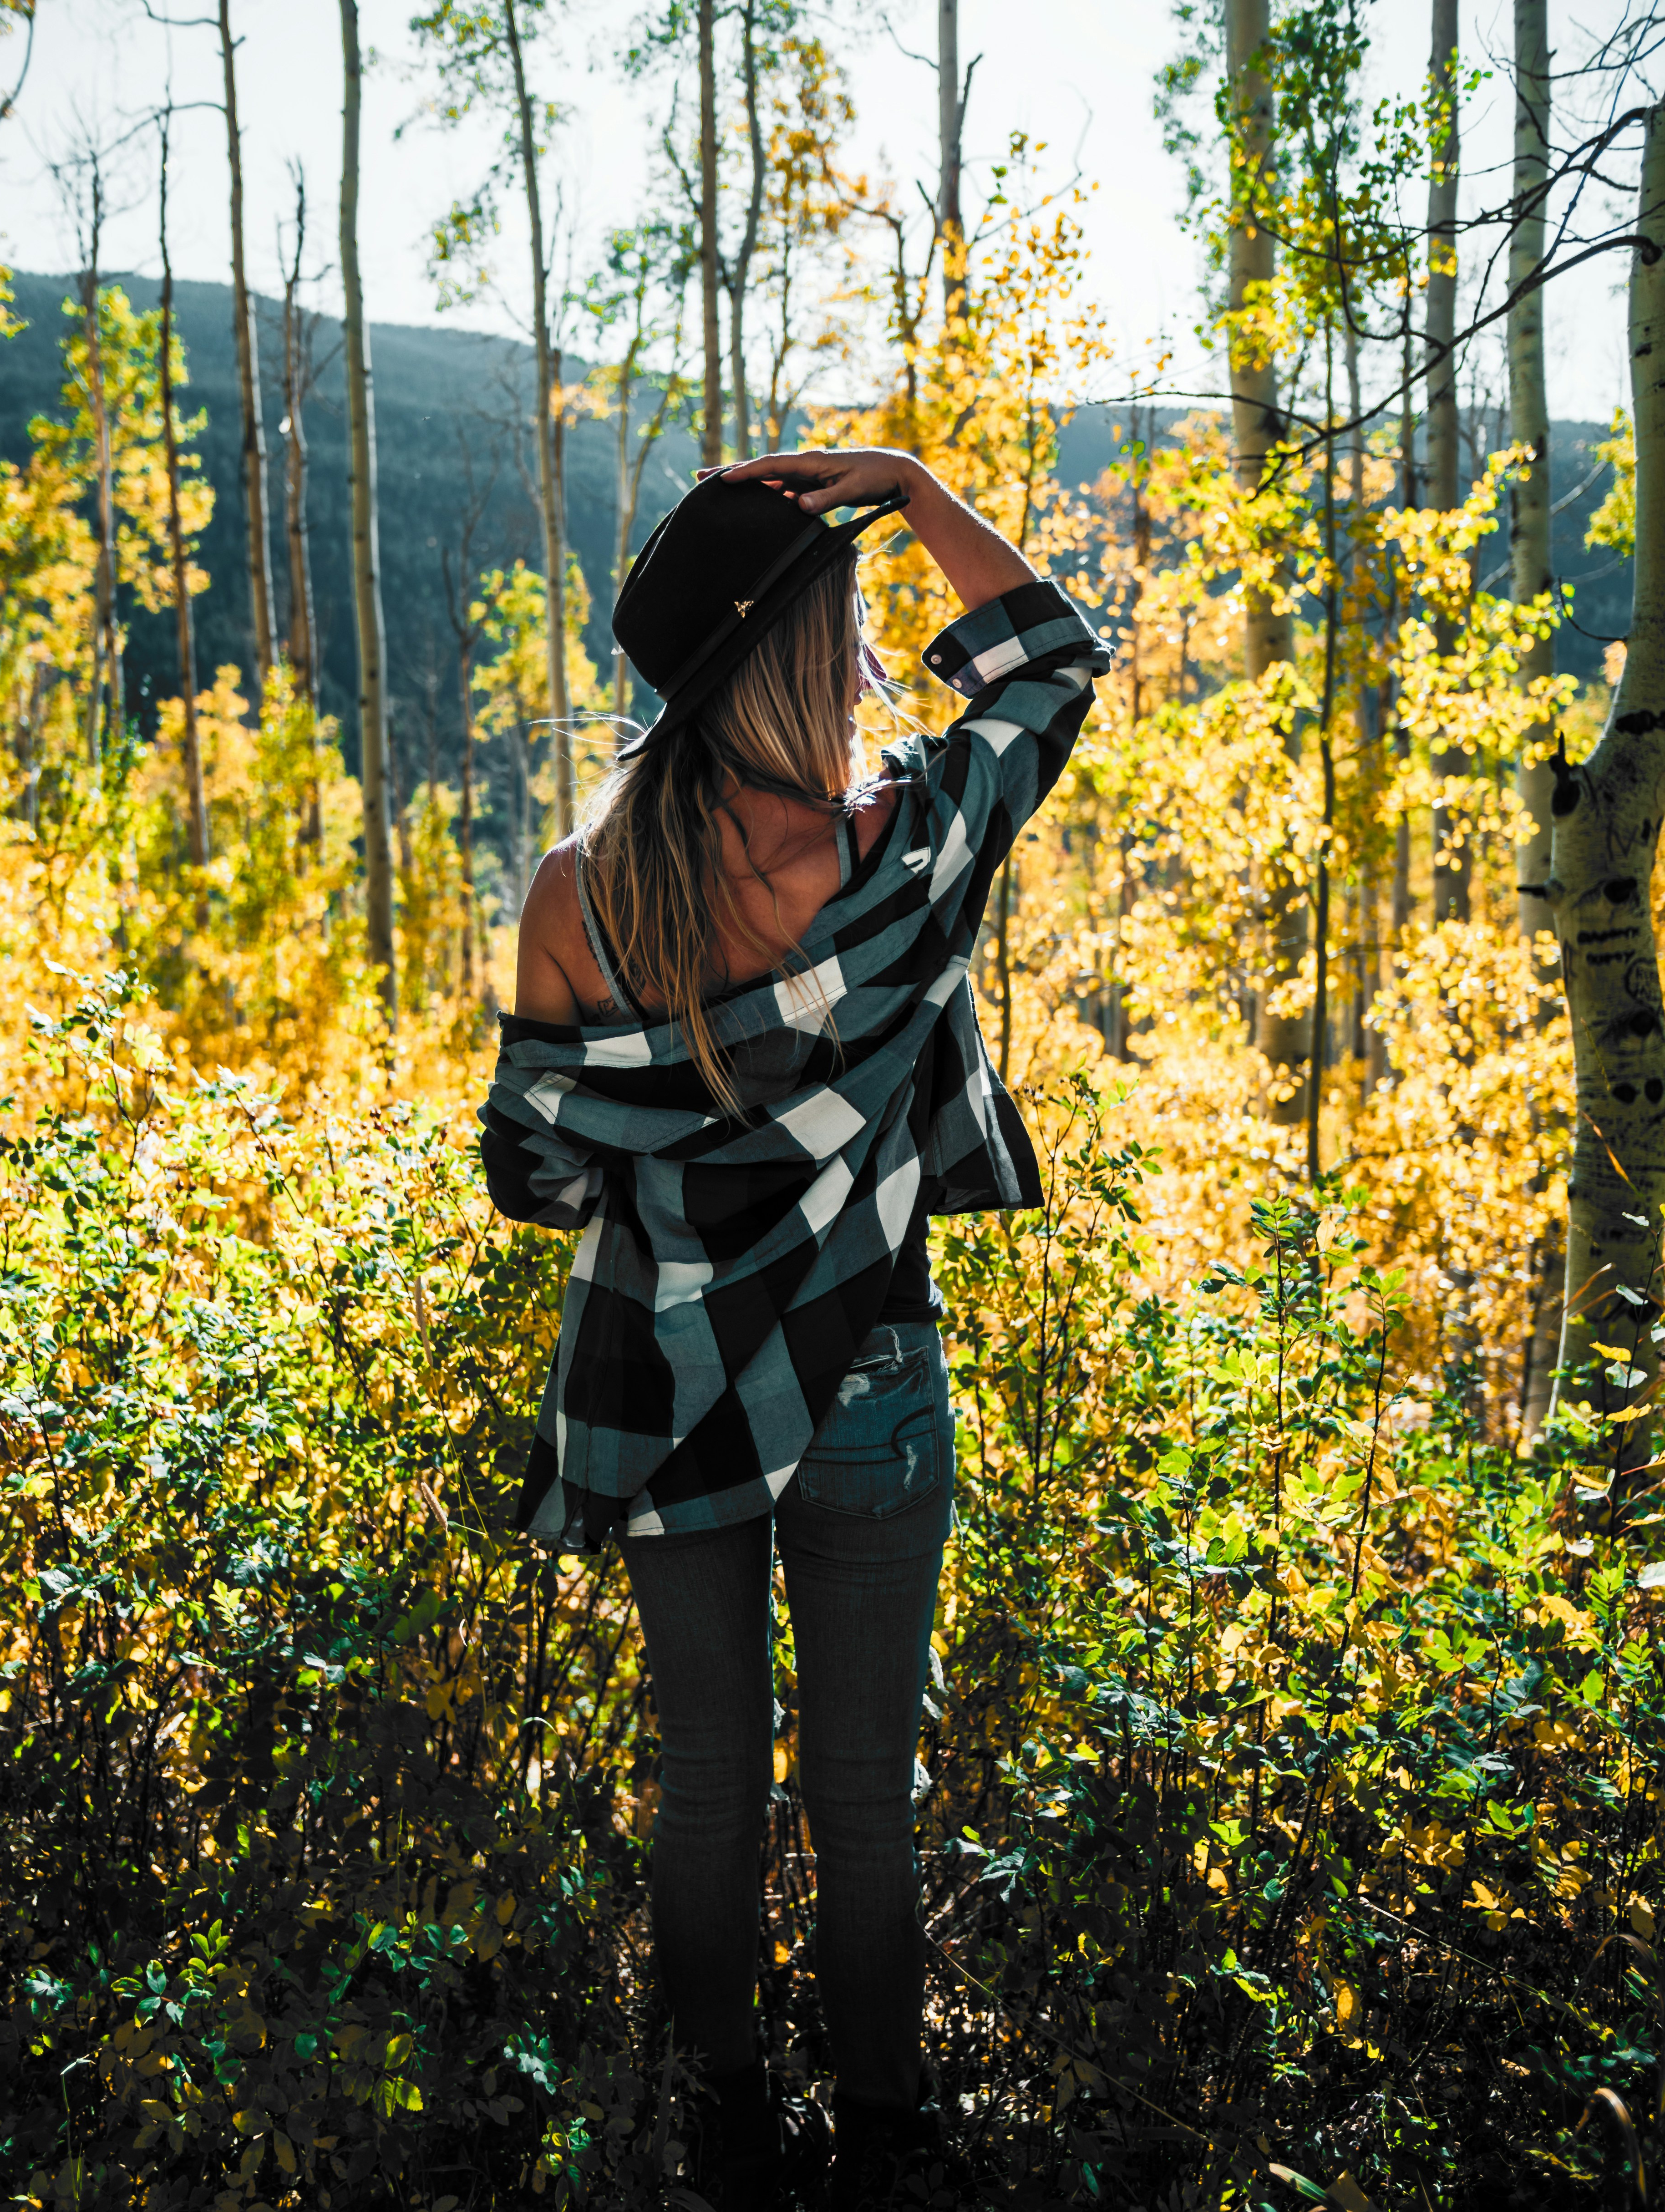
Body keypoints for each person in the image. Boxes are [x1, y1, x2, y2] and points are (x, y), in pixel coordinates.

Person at [480, 446, 1107, 2210]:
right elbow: (1050, 661)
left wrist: (683, 1162)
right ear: (795, 656)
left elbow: (536, 1169)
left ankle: (730, 2120)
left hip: (664, 1376)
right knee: (864, 1796)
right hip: (871, 1376)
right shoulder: (901, 851)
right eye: (842, 630)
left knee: (703, 1788)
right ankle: (889, 2126)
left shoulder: (573, 889)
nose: (866, 665)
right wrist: (907, 486)